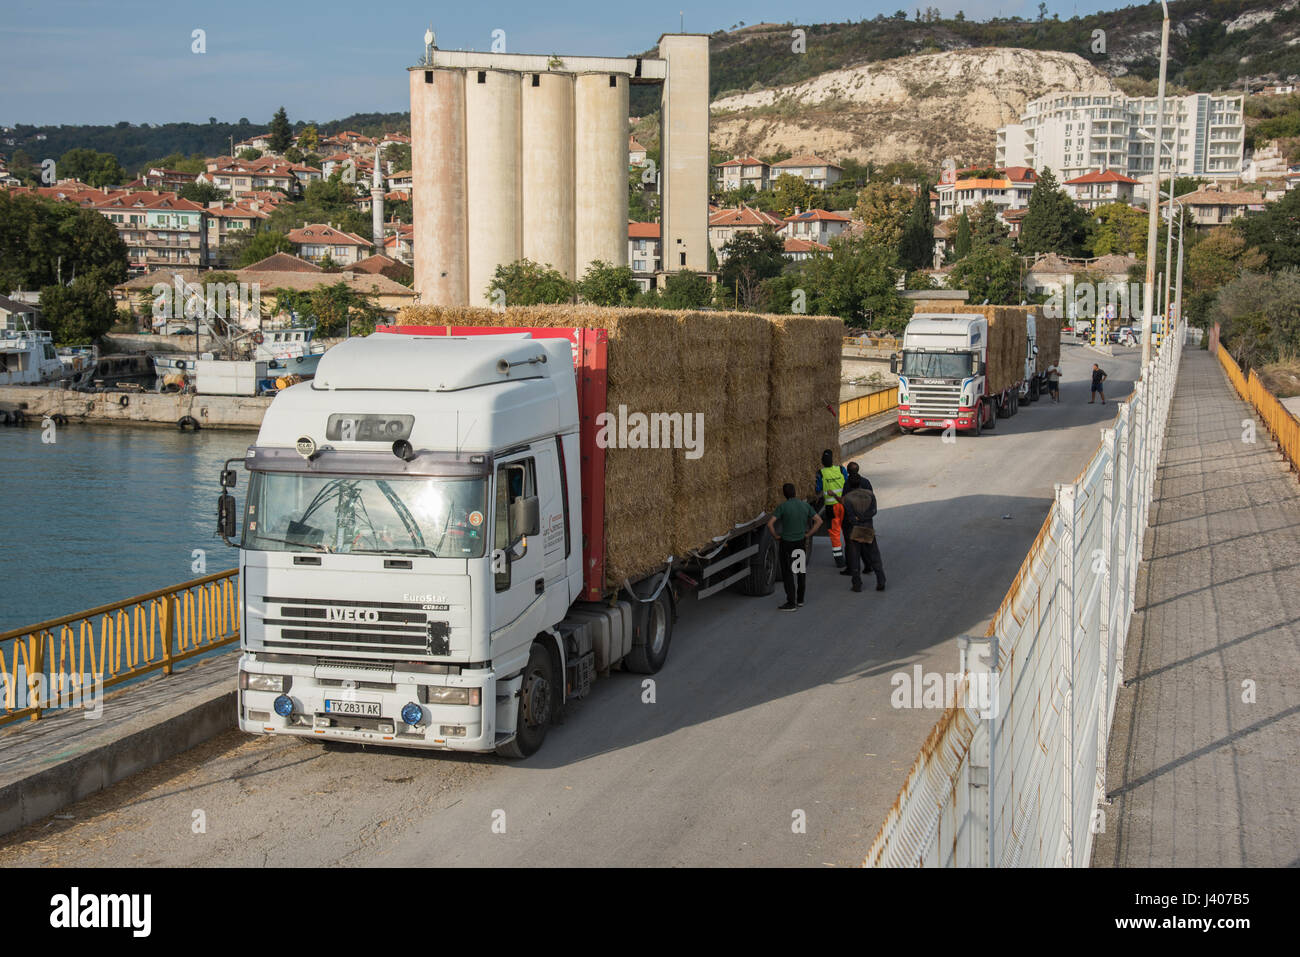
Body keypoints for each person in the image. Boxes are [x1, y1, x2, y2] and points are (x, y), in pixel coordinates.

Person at [767, 482, 822, 611]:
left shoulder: (782, 507)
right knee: (800, 571)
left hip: (786, 543)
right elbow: (819, 521)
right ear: (795, 492)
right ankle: (801, 599)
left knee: (787, 573)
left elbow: (770, 524)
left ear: (784, 494)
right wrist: (808, 534)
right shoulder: (805, 505)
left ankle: (791, 602)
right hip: (800, 542)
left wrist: (775, 536)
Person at [841, 473, 886, 592]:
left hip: (855, 530)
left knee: (854, 558)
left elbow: (850, 517)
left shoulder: (848, 498)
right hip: (868, 528)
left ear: (849, 484)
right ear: (860, 482)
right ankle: (881, 580)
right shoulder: (870, 494)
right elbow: (874, 511)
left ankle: (857, 584)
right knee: (874, 555)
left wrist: (858, 519)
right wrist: (864, 517)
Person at [814, 449, 848, 568]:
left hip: (831, 507)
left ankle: (839, 560)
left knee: (835, 532)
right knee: (847, 530)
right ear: (832, 460)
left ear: (822, 462)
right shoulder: (841, 469)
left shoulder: (821, 473)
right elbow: (847, 483)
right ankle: (851, 556)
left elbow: (818, 490)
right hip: (844, 505)